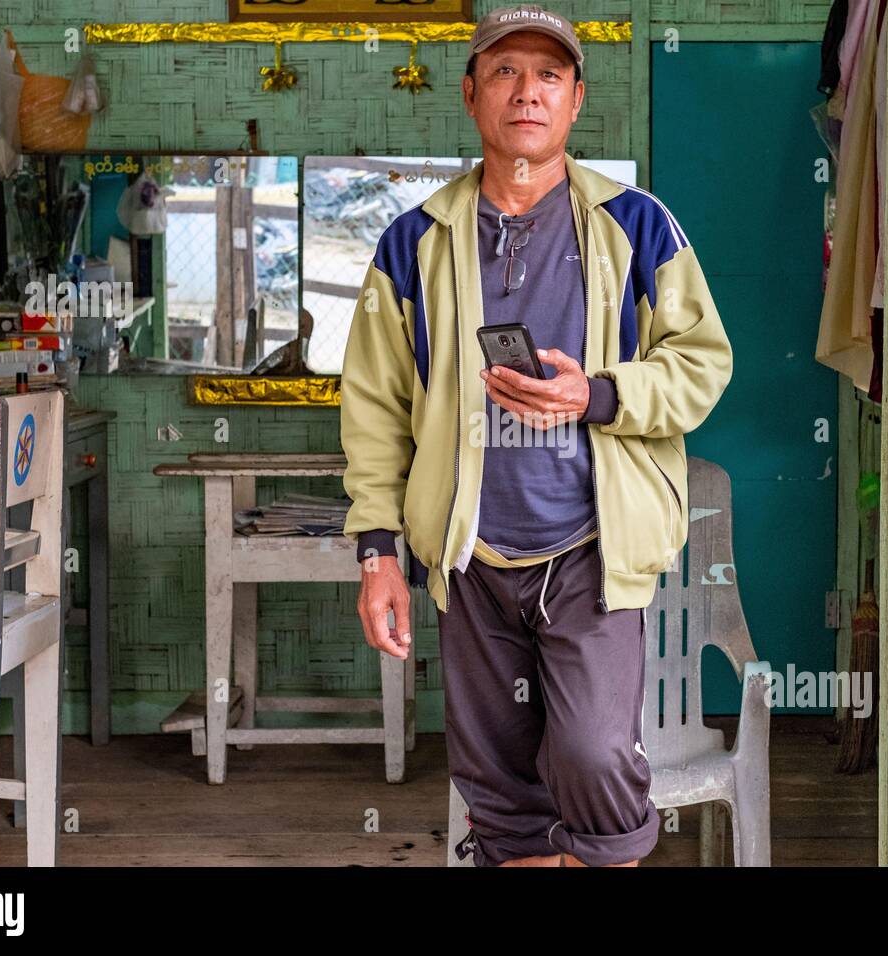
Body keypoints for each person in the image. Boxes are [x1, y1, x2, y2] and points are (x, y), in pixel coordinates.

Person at [340, 3, 733, 867]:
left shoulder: (636, 227)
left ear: (577, 99)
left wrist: (594, 394)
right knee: (501, 793)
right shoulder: (413, 245)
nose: (528, 92)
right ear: (471, 93)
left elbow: (702, 366)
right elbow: (374, 409)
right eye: (507, 72)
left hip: (590, 547)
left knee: (595, 759)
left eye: (549, 74)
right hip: (471, 559)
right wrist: (378, 556)